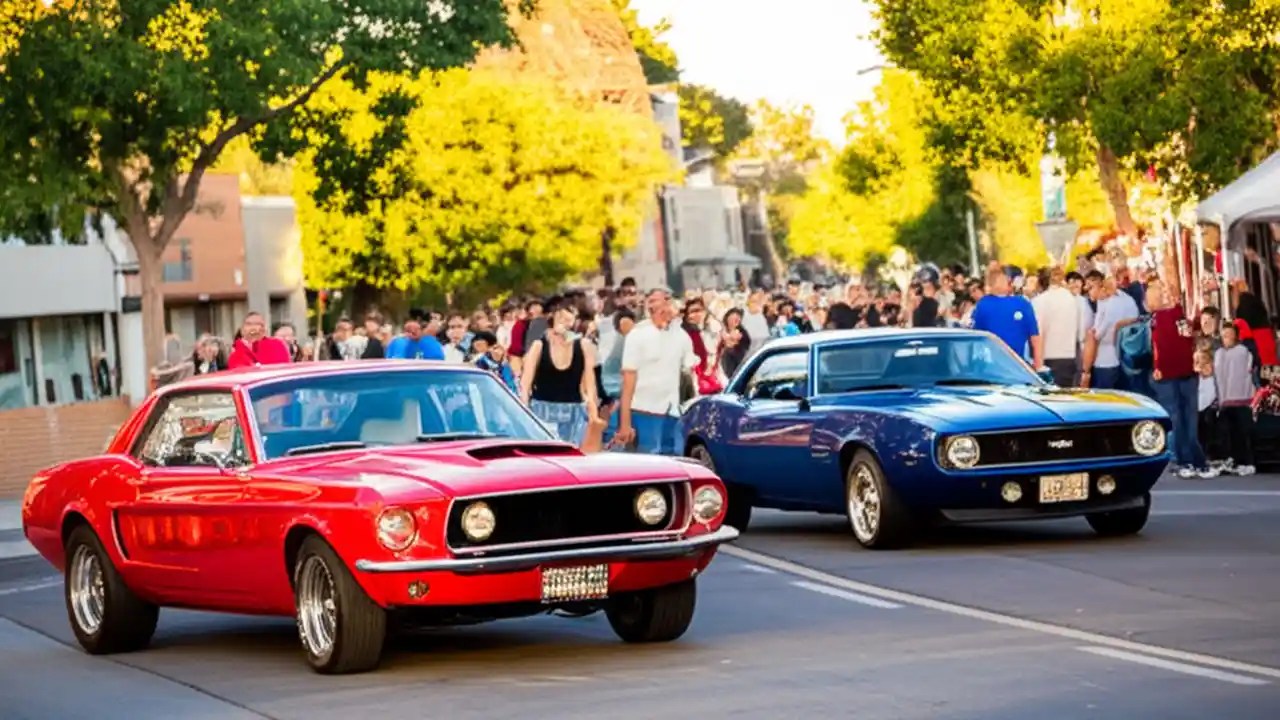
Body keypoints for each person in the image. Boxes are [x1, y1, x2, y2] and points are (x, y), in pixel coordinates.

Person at [614, 287, 697, 455]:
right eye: (656, 301)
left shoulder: (681, 336)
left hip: (672, 412)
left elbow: (689, 372)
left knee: (673, 459)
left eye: (667, 299)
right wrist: (625, 423)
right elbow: (628, 380)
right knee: (648, 462)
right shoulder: (637, 335)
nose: (664, 305)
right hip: (643, 411)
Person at [1146, 279, 1213, 478]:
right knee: (1178, 418)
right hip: (1169, 374)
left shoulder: (1178, 315)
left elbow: (1193, 331)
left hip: (1183, 372)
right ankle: (1184, 460)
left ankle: (1194, 460)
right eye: (1163, 291)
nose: (1167, 294)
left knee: (1187, 419)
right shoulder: (1158, 318)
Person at [520, 304, 598, 446]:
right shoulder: (538, 346)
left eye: (568, 320)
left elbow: (589, 383)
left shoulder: (583, 346)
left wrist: (593, 412)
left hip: (573, 412)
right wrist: (524, 412)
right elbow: (525, 384)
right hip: (542, 410)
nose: (564, 323)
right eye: (560, 317)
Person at [971, 267, 1044, 369]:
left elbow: (1035, 336)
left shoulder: (1022, 303)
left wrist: (1038, 364)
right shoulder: (983, 305)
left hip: (1017, 366)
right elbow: (976, 337)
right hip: (992, 367)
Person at [1214, 323, 1257, 476]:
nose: (1226, 337)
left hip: (1242, 399)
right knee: (1229, 432)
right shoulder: (1219, 353)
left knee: (1242, 432)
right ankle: (1233, 459)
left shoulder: (1243, 352)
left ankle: (1247, 461)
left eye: (1230, 334)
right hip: (1225, 400)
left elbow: (1248, 373)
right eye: (1224, 334)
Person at [1031, 267, 1081, 386]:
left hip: (1048, 357)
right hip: (1069, 356)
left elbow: (1038, 333)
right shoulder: (1073, 300)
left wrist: (1038, 364)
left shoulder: (1039, 301)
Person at [227, 312, 293, 369]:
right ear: (242, 330)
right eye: (249, 324)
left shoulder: (277, 346)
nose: (254, 328)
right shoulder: (236, 356)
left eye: (259, 324)